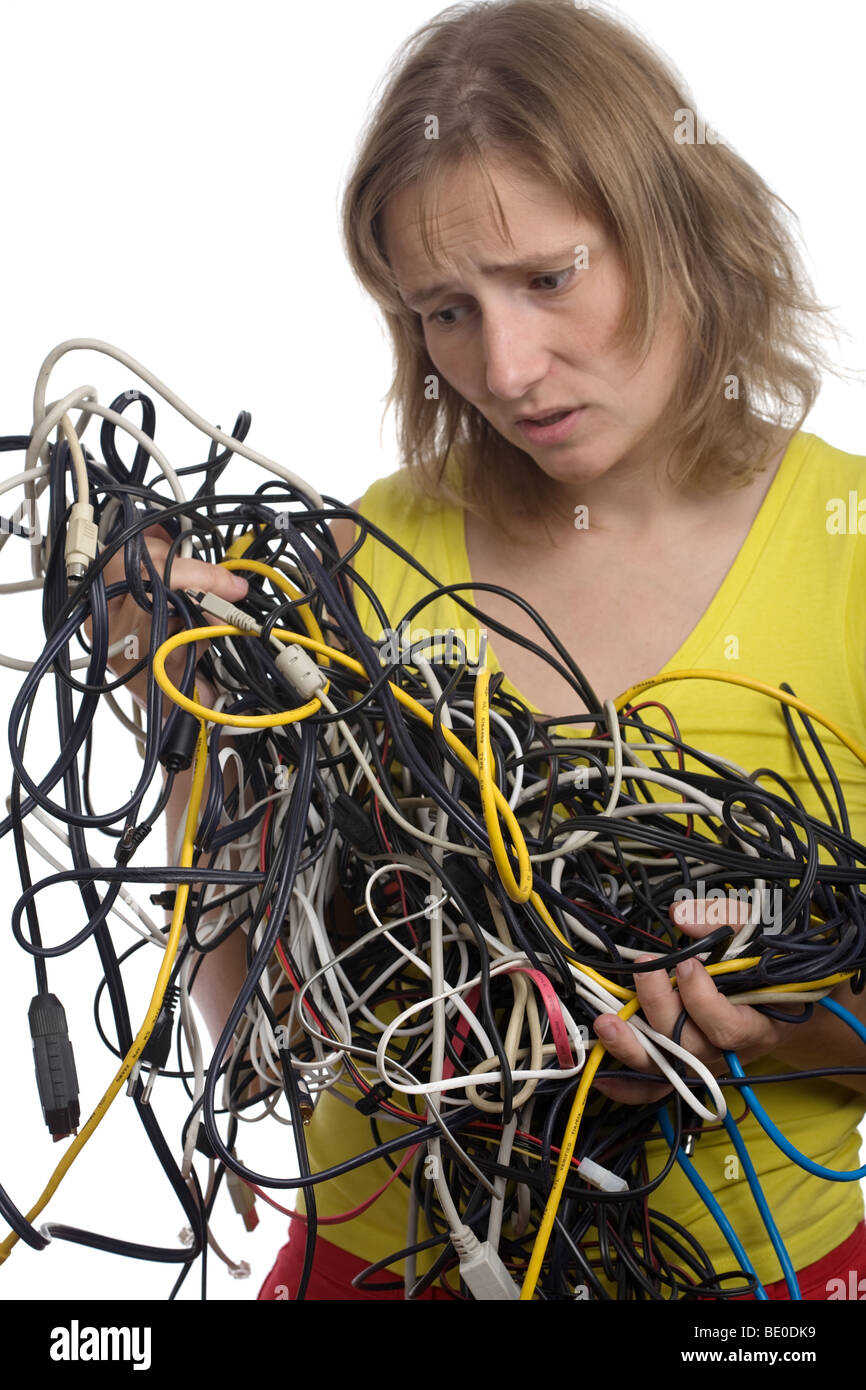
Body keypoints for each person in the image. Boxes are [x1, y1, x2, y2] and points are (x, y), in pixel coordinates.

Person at [113, 0, 866, 1299]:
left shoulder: (847, 548)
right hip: (375, 1259)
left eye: (547, 277)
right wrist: (170, 693)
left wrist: (784, 1026)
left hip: (756, 1283)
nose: (507, 366)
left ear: (676, 231)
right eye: (444, 312)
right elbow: (252, 1029)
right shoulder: (364, 552)